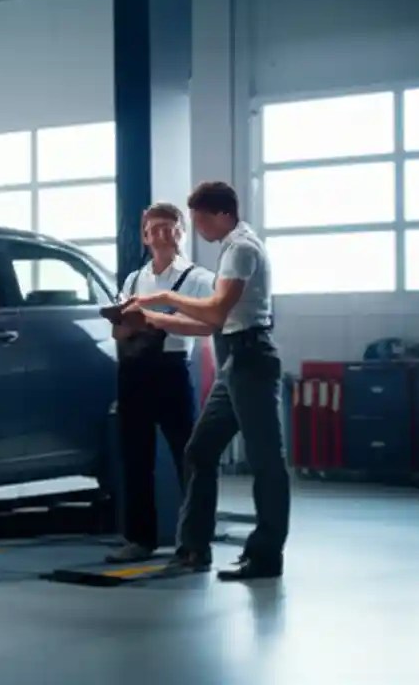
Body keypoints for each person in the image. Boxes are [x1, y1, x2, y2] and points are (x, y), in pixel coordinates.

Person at [123, 181, 288, 581]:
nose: (198, 229)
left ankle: (265, 555)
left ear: (220, 215)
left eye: (197, 221)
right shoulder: (231, 248)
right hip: (232, 355)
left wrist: (163, 300)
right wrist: (153, 317)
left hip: (250, 356)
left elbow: (214, 314)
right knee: (199, 451)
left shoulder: (242, 249)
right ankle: (194, 549)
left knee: (265, 460)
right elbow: (212, 322)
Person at [105, 203, 214, 564]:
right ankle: (139, 539)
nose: (163, 233)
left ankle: (196, 544)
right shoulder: (134, 280)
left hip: (171, 370)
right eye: (155, 228)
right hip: (134, 370)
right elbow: (118, 330)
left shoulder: (198, 278)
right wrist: (126, 323)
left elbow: (207, 324)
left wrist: (155, 320)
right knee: (135, 458)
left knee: (189, 456)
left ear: (182, 232)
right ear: (145, 236)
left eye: (171, 227)